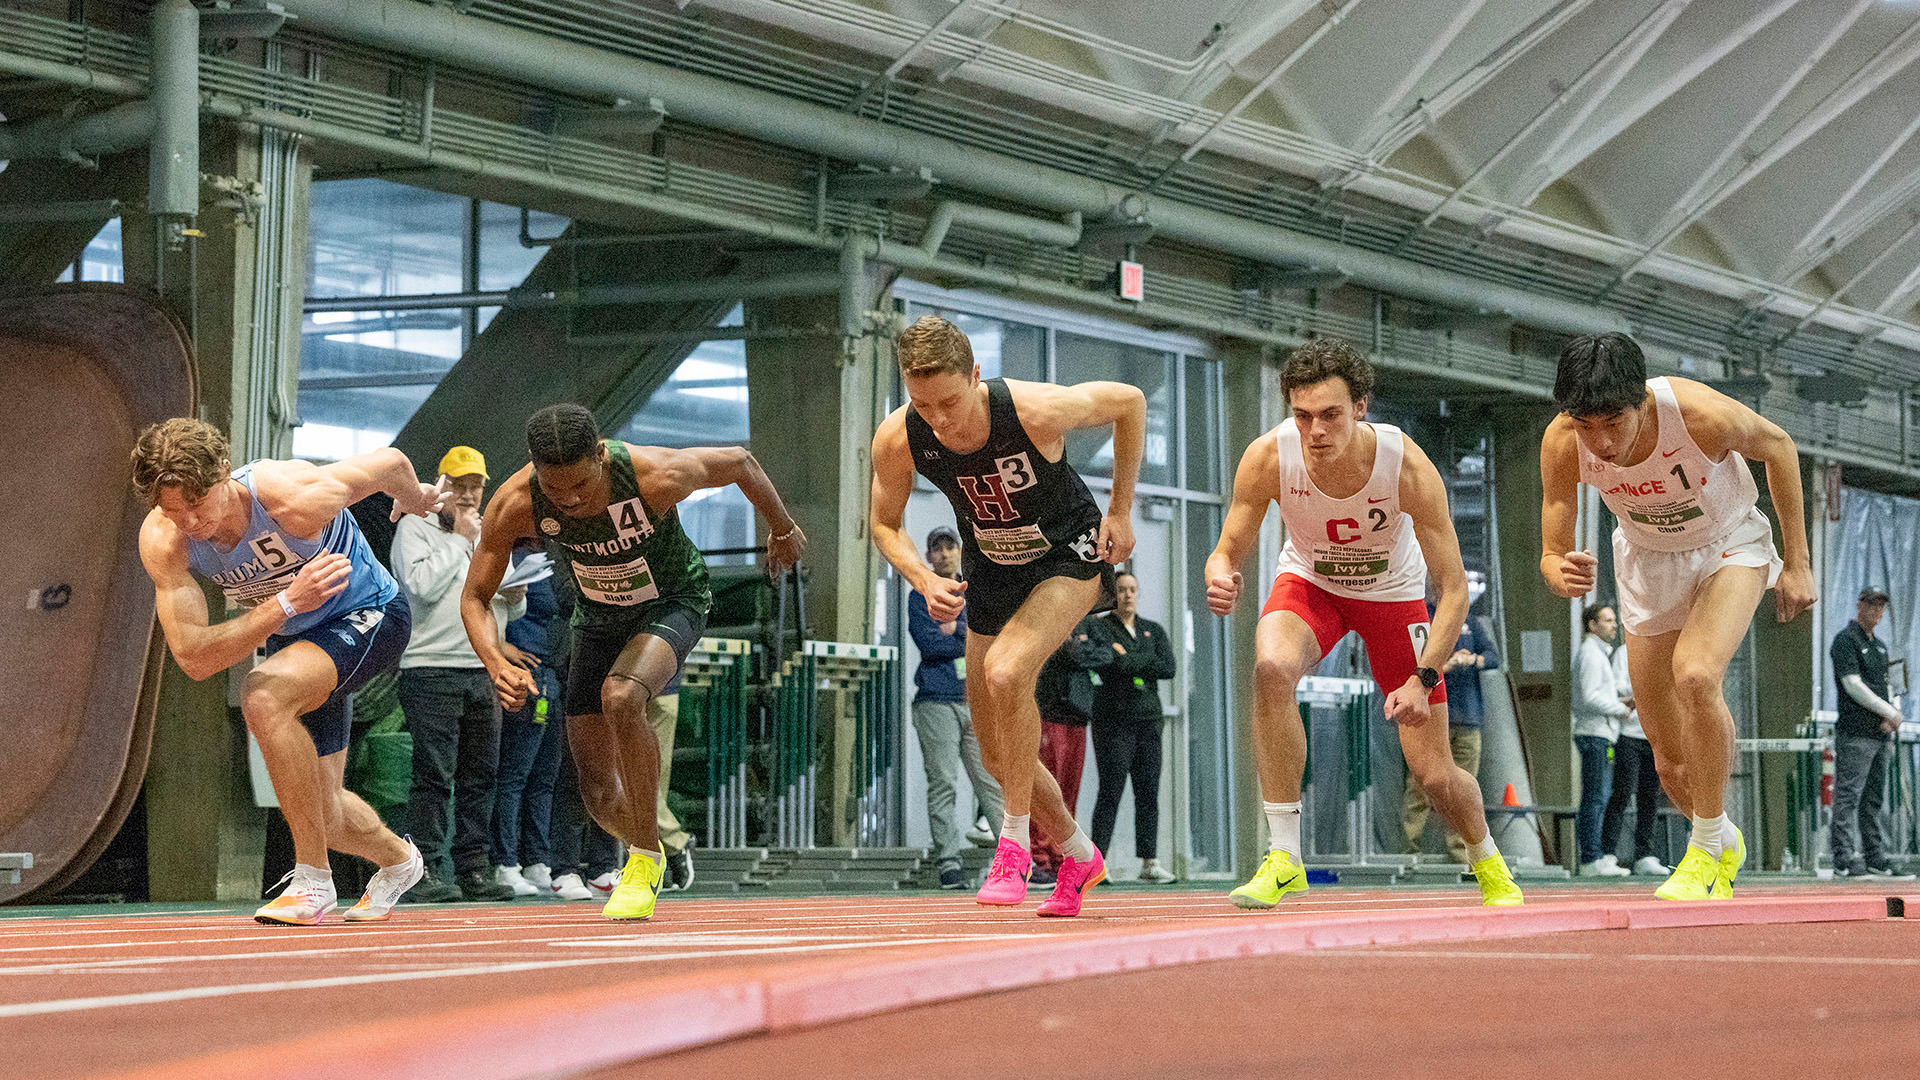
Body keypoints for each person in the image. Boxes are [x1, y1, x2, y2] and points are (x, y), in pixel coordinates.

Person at [1206, 338, 1523, 909]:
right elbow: (1228, 546)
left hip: (1394, 599)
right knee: (1271, 667)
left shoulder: (1407, 469)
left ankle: (1487, 859)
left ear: (1360, 407)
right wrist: (1220, 572)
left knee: (1432, 773)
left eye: (1330, 415)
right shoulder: (1269, 457)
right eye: (1302, 417)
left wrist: (1423, 679)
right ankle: (1284, 857)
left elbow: (1453, 591)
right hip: (1312, 584)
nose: (1316, 431)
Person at [461, 404, 805, 920]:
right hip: (598, 618)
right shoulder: (515, 503)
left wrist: (782, 528)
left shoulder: (654, 474)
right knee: (599, 798)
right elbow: (475, 597)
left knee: (621, 696)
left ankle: (643, 860)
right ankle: (653, 841)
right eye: (556, 491)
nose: (571, 500)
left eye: (581, 485)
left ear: (600, 455)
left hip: (675, 600)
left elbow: (741, 462)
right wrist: (495, 662)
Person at [870, 314, 1144, 917]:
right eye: (923, 404)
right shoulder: (899, 437)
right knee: (996, 754)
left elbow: (1130, 401)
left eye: (948, 401)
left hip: (1067, 554)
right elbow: (884, 523)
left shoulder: (1031, 411)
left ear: (974, 374)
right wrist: (922, 578)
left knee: (1006, 671)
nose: (938, 418)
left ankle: (1013, 847)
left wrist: (1120, 511)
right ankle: (1077, 852)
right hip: (992, 569)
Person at [131, 417, 446, 924]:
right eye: (173, 509)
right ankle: (400, 861)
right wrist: (284, 603)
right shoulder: (165, 540)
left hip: (370, 614)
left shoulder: (290, 497)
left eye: (199, 503)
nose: (190, 522)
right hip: (298, 636)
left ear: (225, 474)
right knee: (326, 814)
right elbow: (193, 657)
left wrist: (415, 500)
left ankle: (312, 881)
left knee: (263, 696)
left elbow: (391, 463)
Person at [1540, 332, 1816, 900]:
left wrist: (1797, 563)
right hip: (1647, 560)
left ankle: (1705, 845)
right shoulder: (1566, 439)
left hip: (1727, 544)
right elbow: (1558, 503)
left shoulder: (1698, 416)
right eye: (1587, 425)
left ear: (1641, 400)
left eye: (1613, 422)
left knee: (1696, 674)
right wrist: (1550, 558)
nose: (1602, 442)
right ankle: (1722, 836)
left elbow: (1780, 447)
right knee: (1667, 760)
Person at [393, 447, 525, 904]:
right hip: (430, 668)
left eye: (476, 487)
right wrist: (461, 541)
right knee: (433, 775)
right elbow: (421, 589)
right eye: (459, 486)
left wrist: (517, 592)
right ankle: (422, 871)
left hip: (483, 668)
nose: (468, 496)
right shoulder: (414, 527)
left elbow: (503, 605)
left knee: (481, 776)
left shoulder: (491, 531)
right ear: (440, 486)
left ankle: (474, 870)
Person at [907, 525, 1004, 890]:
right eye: (937, 548)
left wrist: (957, 629)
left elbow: (990, 639)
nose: (944, 554)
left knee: (991, 781)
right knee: (944, 783)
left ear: (960, 551)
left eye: (950, 547)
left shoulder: (975, 589)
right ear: (929, 556)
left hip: (975, 700)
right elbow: (930, 644)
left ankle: (1011, 858)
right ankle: (949, 862)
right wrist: (967, 634)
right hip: (935, 702)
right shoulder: (920, 595)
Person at [1088, 571, 1178, 882]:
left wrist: (1129, 657)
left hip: (1149, 721)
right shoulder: (1099, 628)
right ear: (1112, 595)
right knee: (1110, 790)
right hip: (1113, 720)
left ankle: (1149, 863)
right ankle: (1098, 864)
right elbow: (1109, 663)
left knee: (1148, 792)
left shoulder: (1152, 630)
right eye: (1122, 590)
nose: (1127, 595)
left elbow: (1168, 667)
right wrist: (1136, 660)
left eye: (1132, 590)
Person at [1402, 584, 1499, 865]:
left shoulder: (1470, 620)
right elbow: (1411, 662)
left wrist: (1473, 659)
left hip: (1468, 715)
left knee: (1463, 784)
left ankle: (1463, 852)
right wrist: (1440, 666)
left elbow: (1492, 656)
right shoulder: (1422, 616)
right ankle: (1410, 852)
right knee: (1420, 783)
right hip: (1430, 718)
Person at [491, 541, 566, 897]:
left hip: (550, 672)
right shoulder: (505, 554)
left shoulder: (547, 558)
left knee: (544, 775)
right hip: (525, 672)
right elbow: (476, 602)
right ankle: (506, 863)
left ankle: (537, 861)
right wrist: (498, 647)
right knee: (515, 774)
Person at [1829, 587, 1913, 879]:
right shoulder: (1845, 641)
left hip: (1880, 734)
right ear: (1859, 606)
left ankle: (1874, 857)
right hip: (1855, 734)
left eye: (1881, 607)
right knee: (1848, 796)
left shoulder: (1880, 647)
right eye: (1872, 605)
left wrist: (1893, 714)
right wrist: (1888, 712)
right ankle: (1842, 858)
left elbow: (1888, 686)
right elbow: (1852, 685)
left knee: (1873, 799)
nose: (1877, 611)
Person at [1031, 606, 1107, 886]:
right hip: (1050, 712)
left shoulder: (1090, 621)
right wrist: (1077, 652)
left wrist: (1074, 650)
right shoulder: (1047, 612)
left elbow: (1106, 654)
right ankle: (1038, 858)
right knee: (1047, 789)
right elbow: (1054, 653)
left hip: (1079, 714)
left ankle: (1065, 856)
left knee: (1069, 791)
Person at [1572, 604, 1631, 877]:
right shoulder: (1591, 656)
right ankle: (1590, 858)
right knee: (1595, 798)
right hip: (1594, 734)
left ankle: (1597, 856)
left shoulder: (1598, 655)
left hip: (1602, 734)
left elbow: (1597, 695)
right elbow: (1589, 697)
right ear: (1592, 625)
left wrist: (1621, 703)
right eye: (1607, 620)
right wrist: (1621, 709)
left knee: (1601, 796)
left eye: (1614, 620)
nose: (1614, 625)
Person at [1602, 628, 1666, 877]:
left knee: (1650, 796)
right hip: (1629, 735)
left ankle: (1645, 854)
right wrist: (1642, 692)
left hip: (1653, 736)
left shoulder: (1663, 653)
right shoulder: (1624, 652)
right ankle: (1608, 852)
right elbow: (1617, 689)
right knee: (1622, 792)